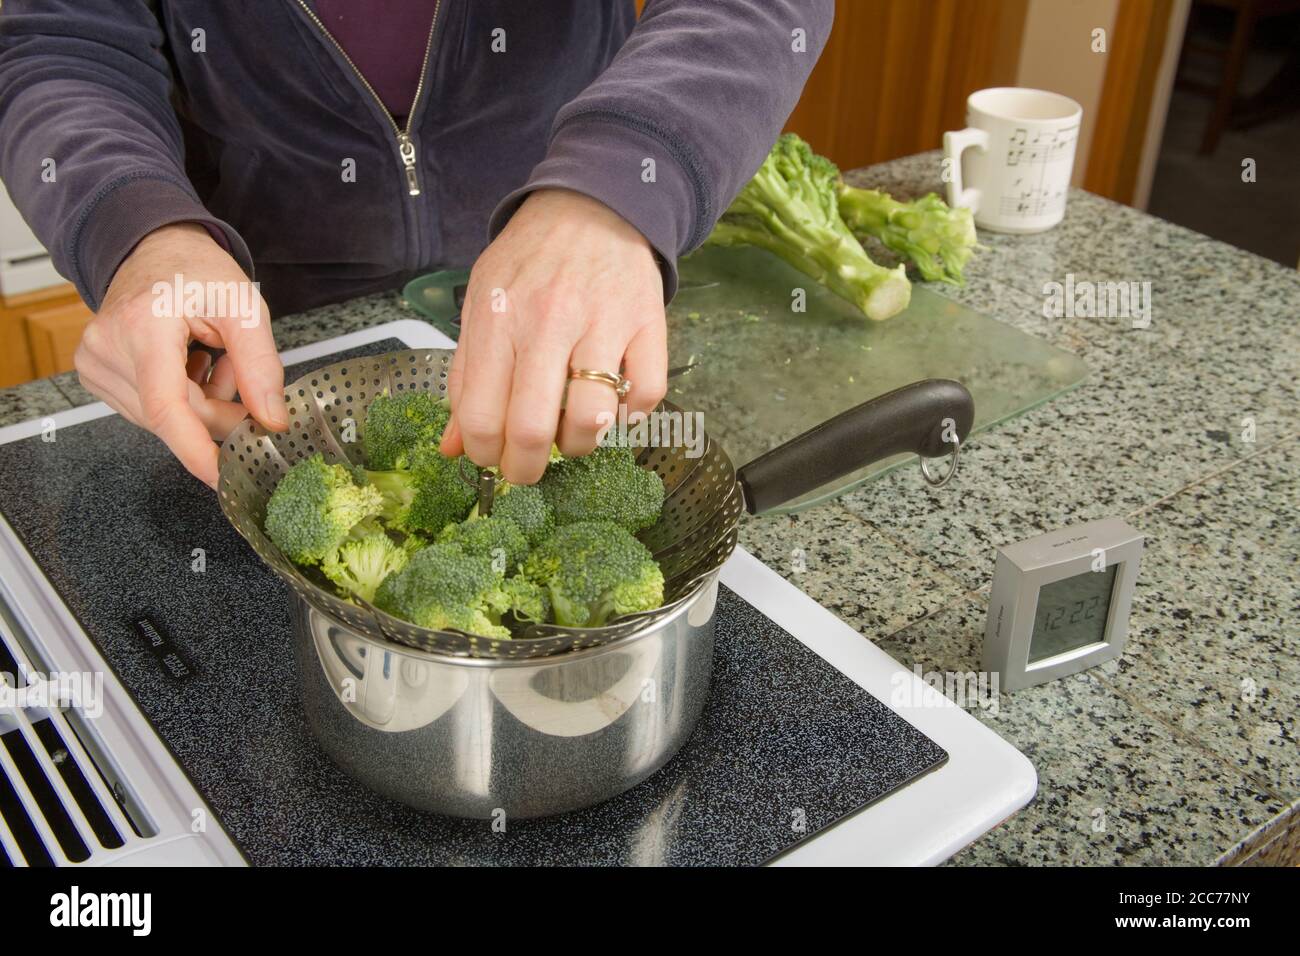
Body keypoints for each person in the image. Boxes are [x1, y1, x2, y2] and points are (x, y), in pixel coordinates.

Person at [0, 1, 831, 486]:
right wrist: (136, 230)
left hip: (584, 287)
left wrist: (614, 187)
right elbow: (56, 42)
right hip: (260, 326)